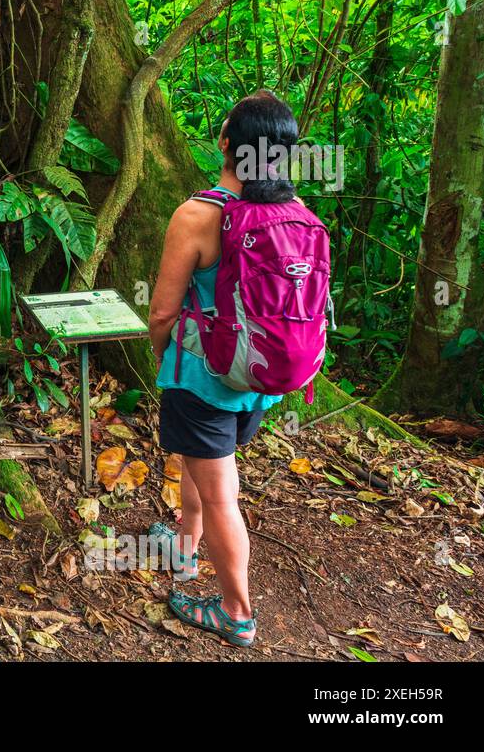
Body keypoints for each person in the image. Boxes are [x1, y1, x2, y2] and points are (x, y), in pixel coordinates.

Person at [146, 90, 303, 647]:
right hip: (260, 386)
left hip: (203, 379)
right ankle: (185, 546)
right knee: (205, 466)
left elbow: (164, 308)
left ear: (224, 143)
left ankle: (236, 611)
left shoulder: (200, 214)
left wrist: (162, 350)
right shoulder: (296, 215)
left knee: (221, 497)